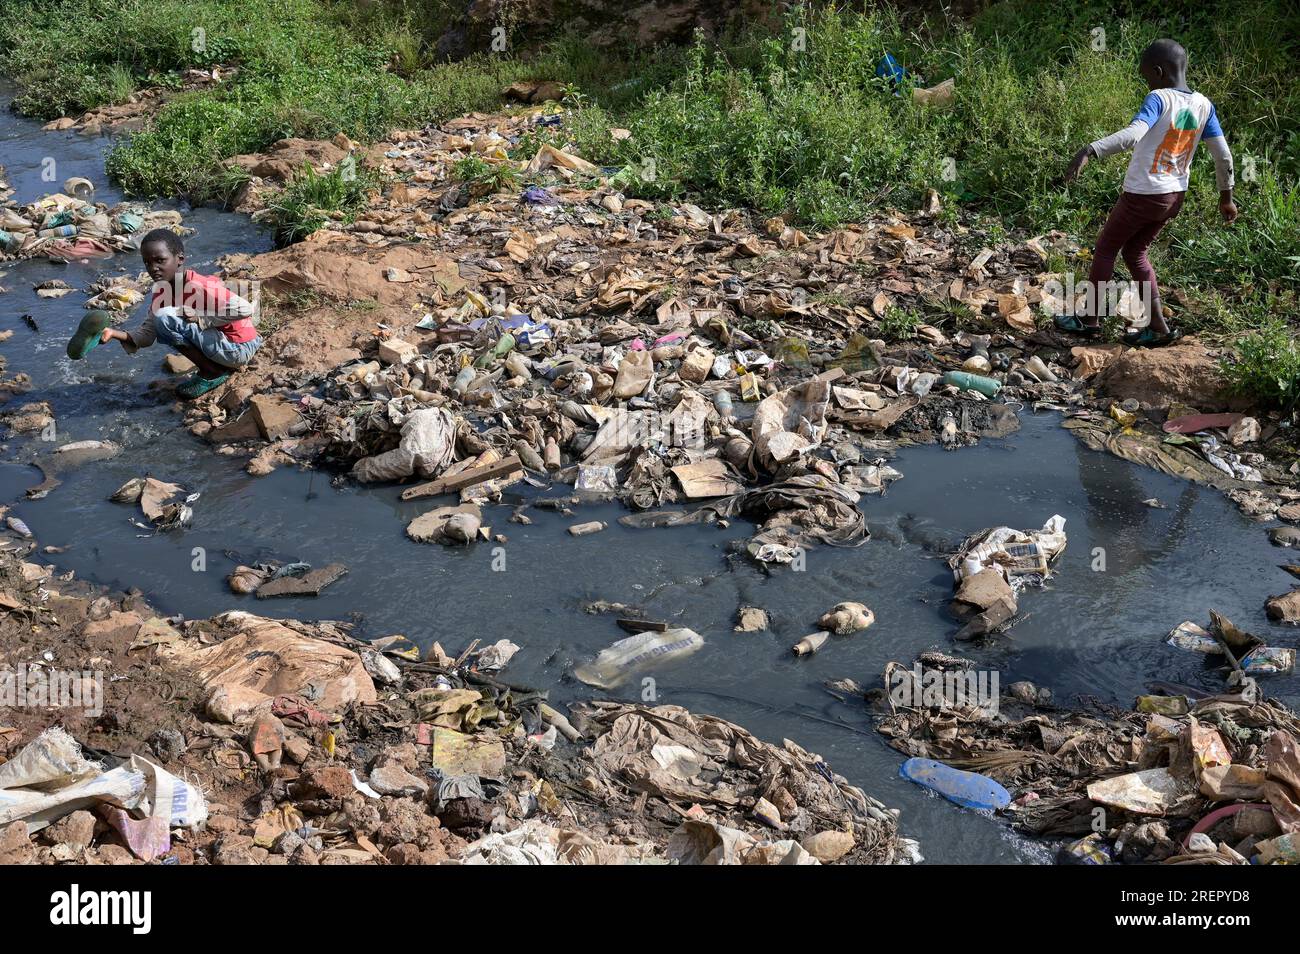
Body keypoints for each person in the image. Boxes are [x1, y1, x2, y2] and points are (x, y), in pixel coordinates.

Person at [1056, 38, 1237, 347]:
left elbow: (1133, 135)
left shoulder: (1158, 98)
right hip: (1173, 197)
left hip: (1144, 194)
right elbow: (1223, 156)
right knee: (1135, 252)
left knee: (1105, 249)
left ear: (1158, 71)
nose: (1147, 82)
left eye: (1146, 76)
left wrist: (1090, 150)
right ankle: (1159, 328)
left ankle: (1089, 320)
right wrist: (1226, 197)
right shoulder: (1204, 105)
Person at [67, 229, 261, 398]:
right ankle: (213, 367)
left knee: (167, 318)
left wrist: (203, 319)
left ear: (180, 259)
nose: (153, 268)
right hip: (222, 344)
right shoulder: (162, 290)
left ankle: (212, 372)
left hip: (239, 348)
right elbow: (149, 334)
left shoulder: (200, 286)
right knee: (165, 320)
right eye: (147, 263)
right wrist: (113, 333)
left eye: (160, 260)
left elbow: (246, 309)